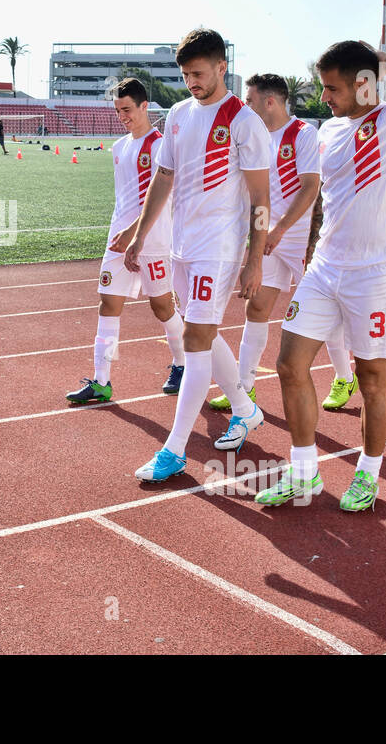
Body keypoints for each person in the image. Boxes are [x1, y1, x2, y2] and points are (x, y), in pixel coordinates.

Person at [256, 42, 386, 512]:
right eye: (322, 86)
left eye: (332, 87)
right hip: (325, 268)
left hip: (375, 274)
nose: (324, 96)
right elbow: (321, 199)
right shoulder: (327, 130)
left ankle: (367, 475)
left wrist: (379, 67)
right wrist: (308, 248)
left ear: (363, 84)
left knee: (371, 378)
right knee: (290, 365)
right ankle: (303, 472)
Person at [127, 28, 271, 482]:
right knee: (200, 332)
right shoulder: (178, 116)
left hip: (220, 249)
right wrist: (140, 233)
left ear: (222, 67)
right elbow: (163, 178)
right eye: (186, 74)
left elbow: (261, 199)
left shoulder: (244, 121)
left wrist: (255, 258)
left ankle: (174, 450)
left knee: (193, 343)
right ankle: (246, 409)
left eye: (199, 73)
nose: (191, 81)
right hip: (182, 246)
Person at [207, 74, 356, 414]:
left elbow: (309, 187)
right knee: (256, 307)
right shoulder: (250, 136)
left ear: (270, 101)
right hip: (269, 236)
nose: (246, 106)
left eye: (250, 100)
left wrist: (281, 230)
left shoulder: (303, 134)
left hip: (301, 239)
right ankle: (244, 387)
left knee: (323, 313)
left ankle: (345, 376)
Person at [65, 78, 185, 405]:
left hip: (154, 239)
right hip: (118, 240)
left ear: (145, 106)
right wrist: (121, 233)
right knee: (108, 302)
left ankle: (182, 363)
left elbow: (164, 196)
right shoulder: (119, 147)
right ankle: (101, 382)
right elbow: (124, 197)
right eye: (118, 110)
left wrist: (136, 233)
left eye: (128, 109)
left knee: (162, 307)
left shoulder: (161, 145)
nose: (123, 116)